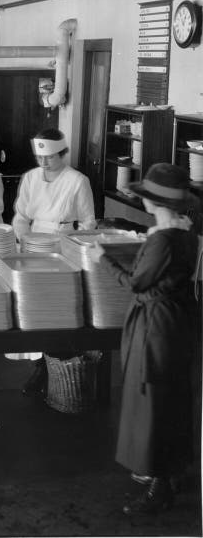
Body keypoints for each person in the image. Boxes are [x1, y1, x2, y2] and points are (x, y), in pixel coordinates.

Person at [88, 163, 200, 515]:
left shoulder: (162, 239)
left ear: (154, 201)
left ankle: (159, 487)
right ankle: (173, 471)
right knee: (172, 399)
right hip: (178, 324)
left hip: (155, 327)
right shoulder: (186, 234)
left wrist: (102, 259)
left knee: (151, 403)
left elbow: (136, 283)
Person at [10, 127, 97, 393]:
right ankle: (38, 365)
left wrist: (74, 249)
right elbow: (22, 216)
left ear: (62, 153)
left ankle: (55, 366)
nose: (44, 162)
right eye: (40, 157)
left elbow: (88, 223)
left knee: (58, 311)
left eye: (50, 157)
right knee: (34, 309)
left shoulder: (78, 181)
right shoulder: (30, 178)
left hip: (63, 248)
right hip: (32, 246)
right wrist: (22, 242)